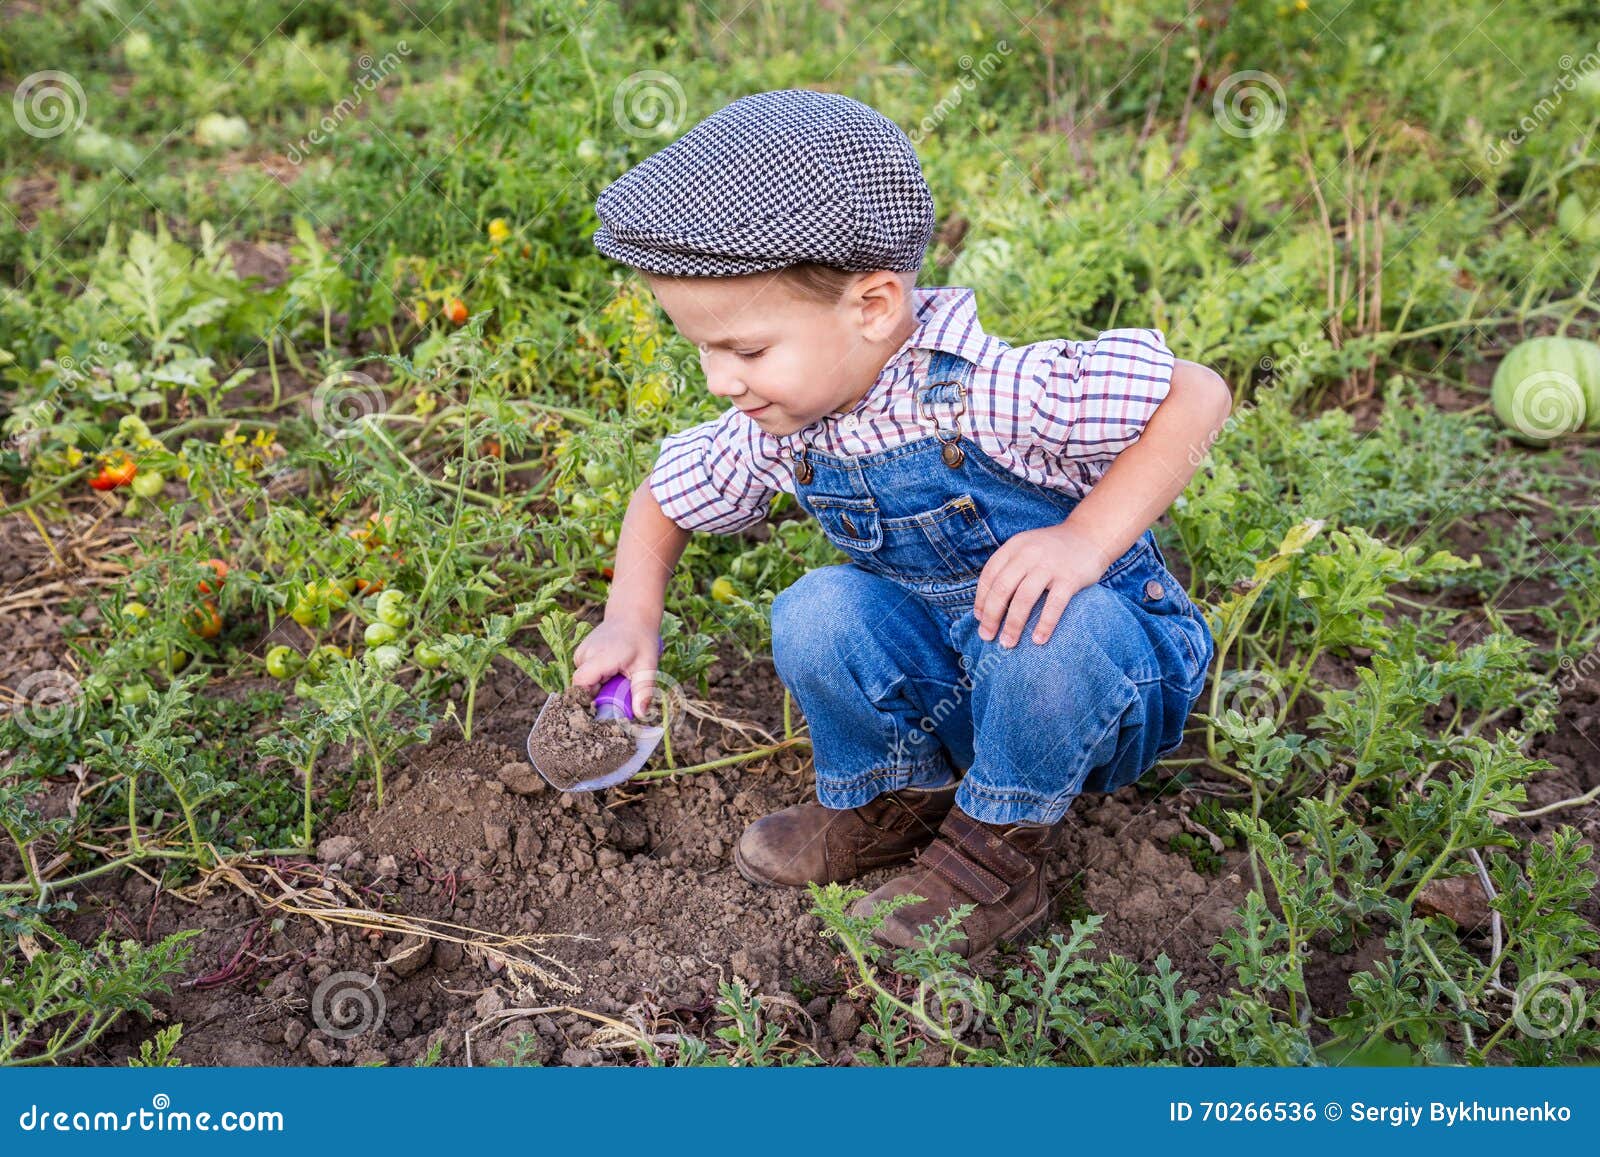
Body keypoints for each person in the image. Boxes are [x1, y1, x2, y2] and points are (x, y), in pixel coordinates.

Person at [573, 88, 1230, 961]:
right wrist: (631, 616)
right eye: (701, 348)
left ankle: (1001, 849)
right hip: (953, 692)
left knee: (1051, 630)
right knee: (816, 609)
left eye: (747, 350)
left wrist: (1082, 539)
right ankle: (899, 800)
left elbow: (1198, 393)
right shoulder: (781, 424)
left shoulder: (995, 390)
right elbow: (665, 495)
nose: (719, 381)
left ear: (875, 305)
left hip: (1093, 689)